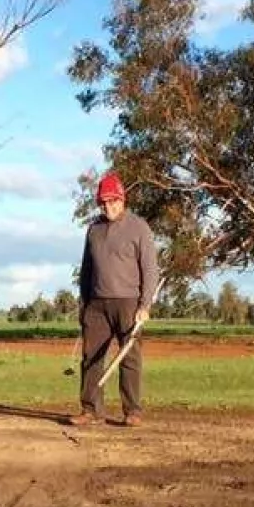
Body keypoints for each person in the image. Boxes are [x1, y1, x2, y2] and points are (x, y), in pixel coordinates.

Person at [70, 172, 159, 429]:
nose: (108, 207)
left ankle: (132, 411)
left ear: (122, 200)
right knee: (91, 358)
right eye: (103, 202)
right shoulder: (93, 230)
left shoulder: (139, 227)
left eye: (113, 201)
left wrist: (145, 306)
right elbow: (86, 270)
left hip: (129, 303)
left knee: (129, 358)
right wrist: (84, 305)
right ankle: (90, 410)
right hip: (96, 304)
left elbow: (150, 270)